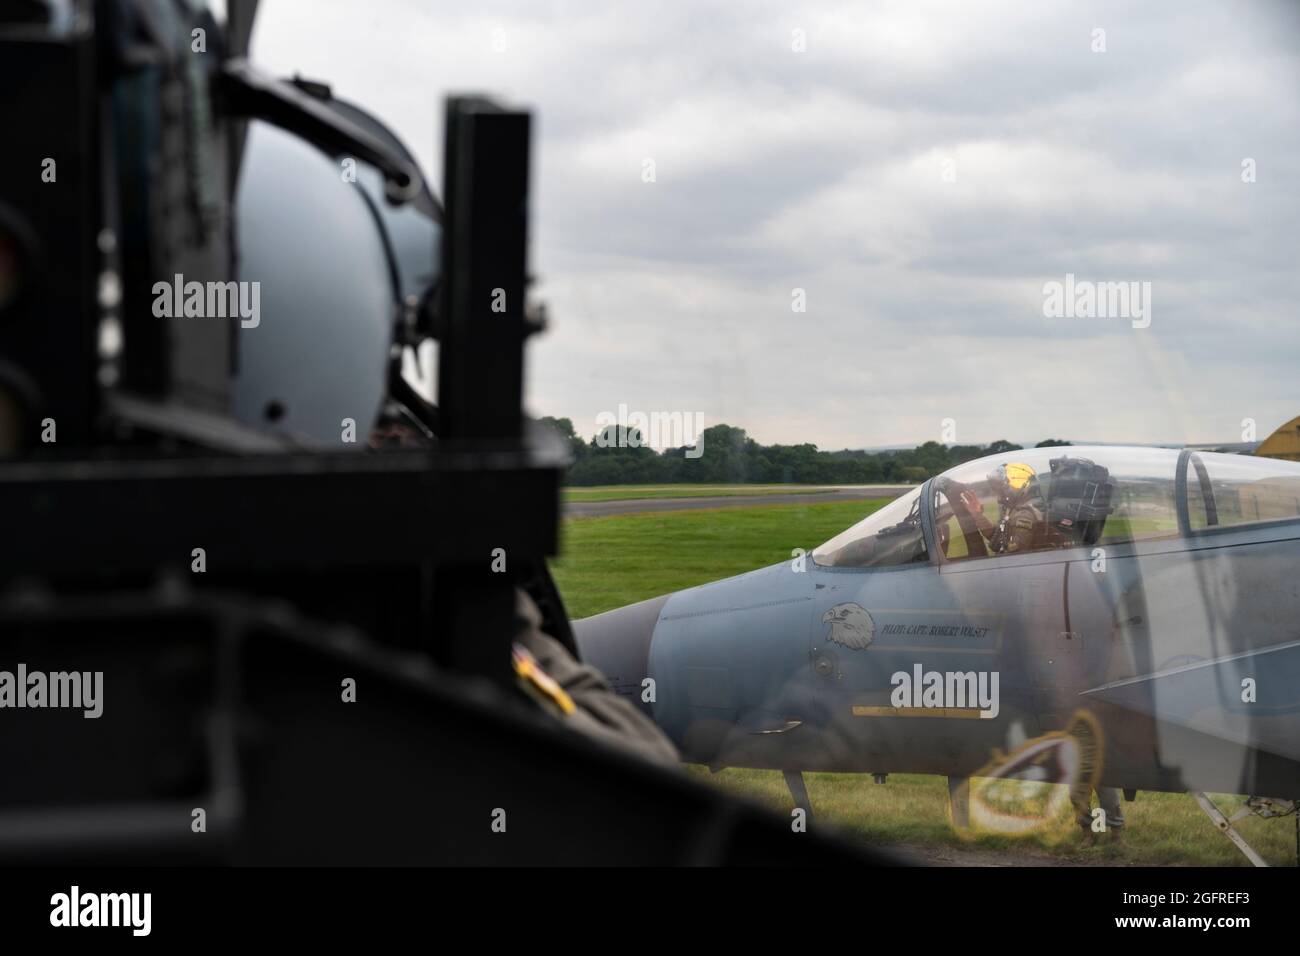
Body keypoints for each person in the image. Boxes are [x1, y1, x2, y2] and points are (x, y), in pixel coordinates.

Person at [958, 461, 1050, 555]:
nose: (999, 493)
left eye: (1002, 489)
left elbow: (1012, 557)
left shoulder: (1024, 516)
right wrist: (978, 515)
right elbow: (998, 538)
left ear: (1020, 486)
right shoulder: (1017, 511)